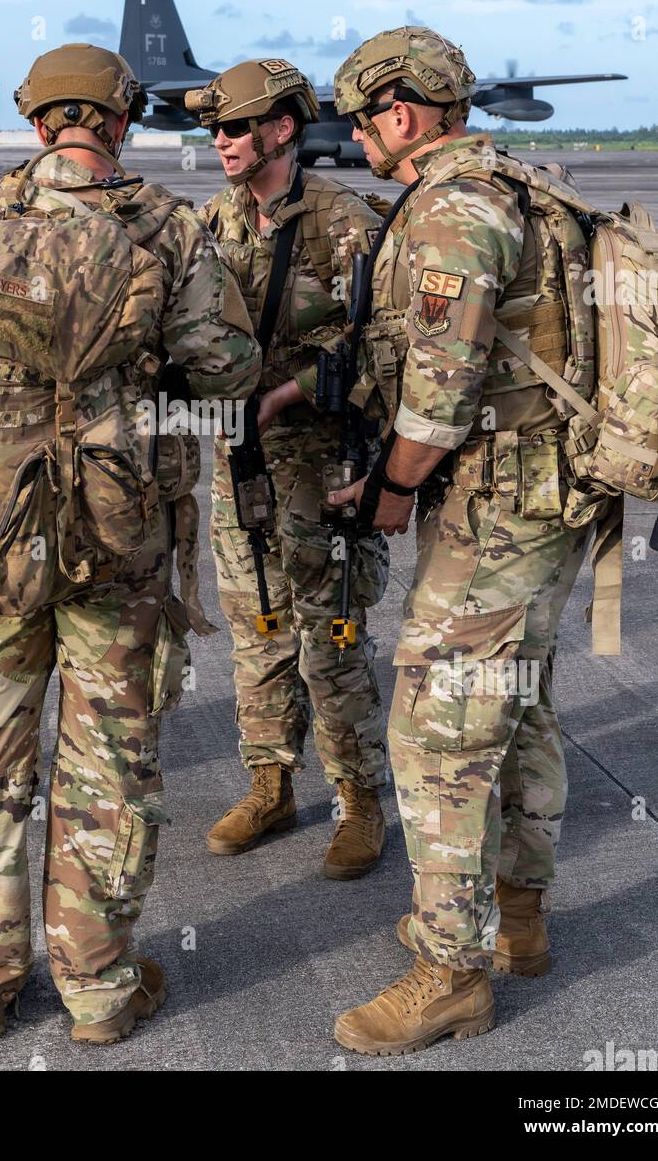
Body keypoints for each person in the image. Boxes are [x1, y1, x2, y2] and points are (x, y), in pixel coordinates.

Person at [0, 43, 261, 1042]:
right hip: (115, 540)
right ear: (120, 121)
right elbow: (221, 373)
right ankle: (96, 987)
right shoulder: (166, 226)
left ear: (39, 123)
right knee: (107, 767)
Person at [265, 26, 591, 1054]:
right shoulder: (519, 186)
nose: (354, 133)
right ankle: (521, 918)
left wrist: (392, 489)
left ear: (401, 113)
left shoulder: (449, 213)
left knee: (436, 729)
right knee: (521, 701)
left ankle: (453, 969)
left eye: (361, 116)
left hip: (496, 506)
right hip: (542, 493)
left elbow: (441, 395)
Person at [187, 60, 390, 878]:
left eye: (236, 127)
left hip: (317, 463)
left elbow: (383, 346)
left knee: (331, 636)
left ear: (281, 128)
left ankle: (359, 800)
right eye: (214, 130)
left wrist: (285, 395)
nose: (222, 142)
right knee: (255, 626)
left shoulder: (344, 224)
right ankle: (269, 782)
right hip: (240, 469)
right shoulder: (211, 220)